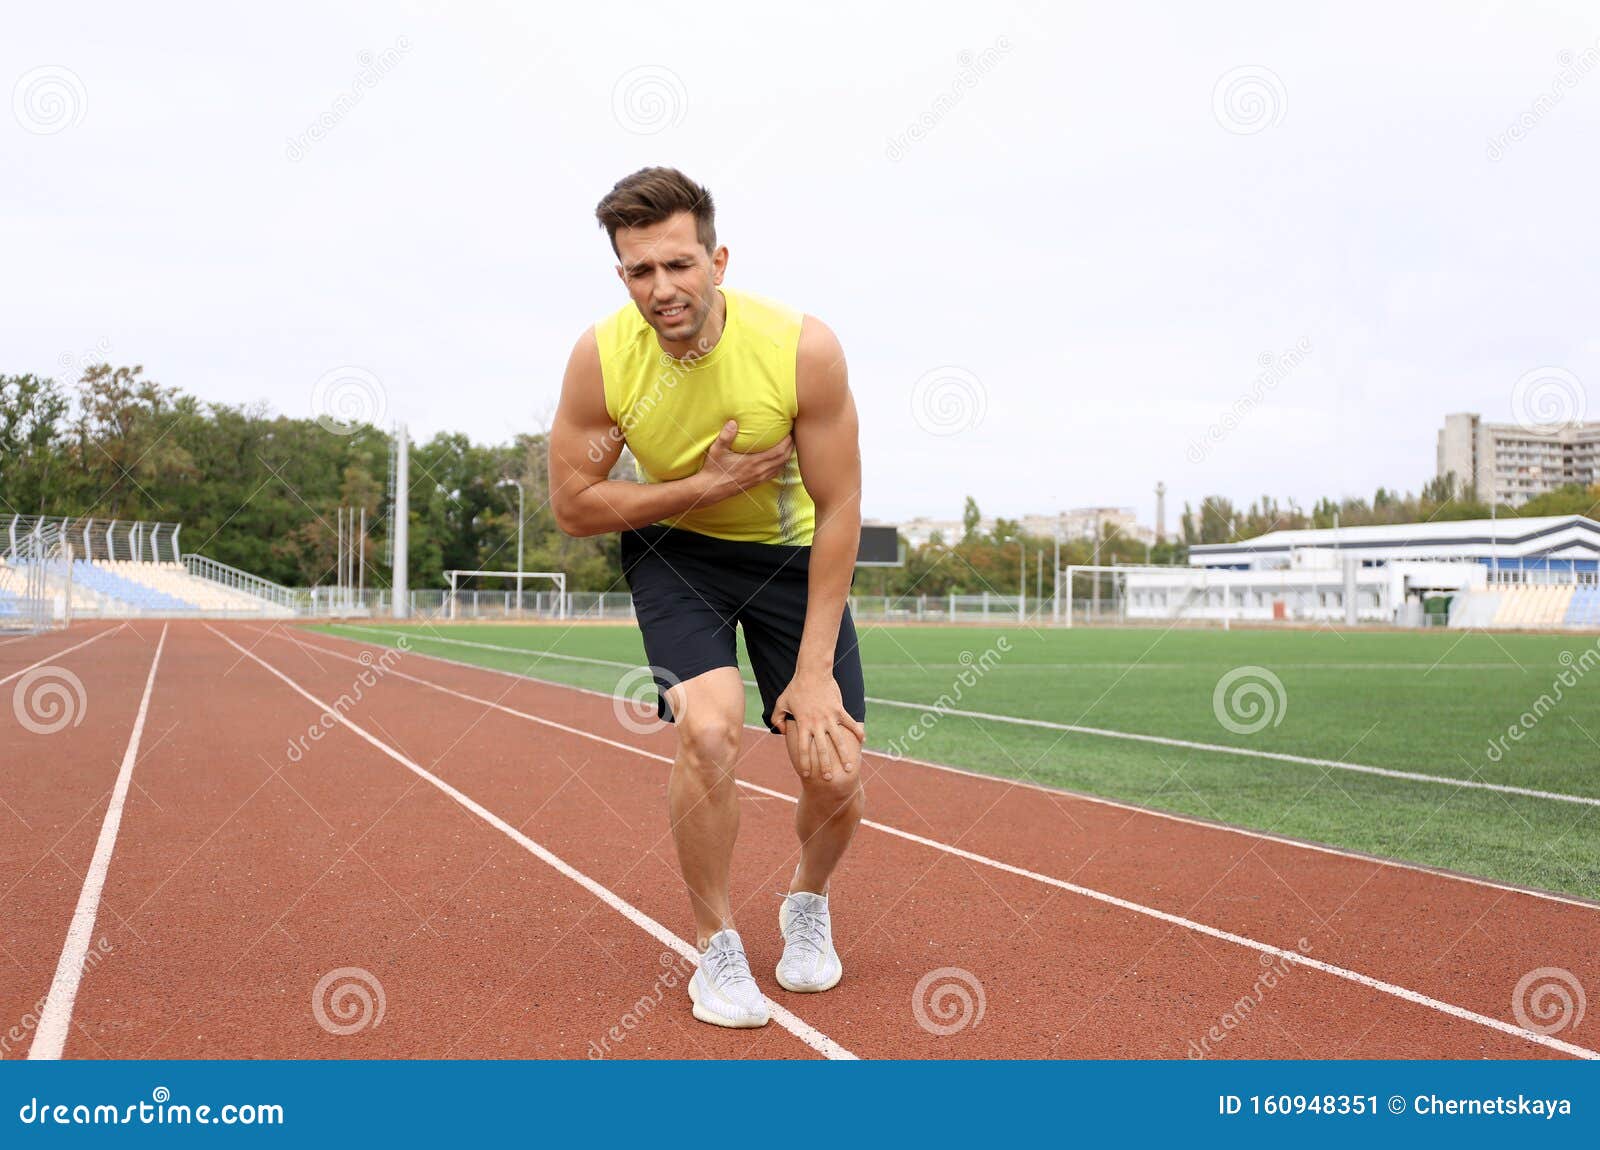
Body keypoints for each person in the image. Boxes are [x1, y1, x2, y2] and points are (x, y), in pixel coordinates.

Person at [548, 166, 867, 1029]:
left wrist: (812, 677)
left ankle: (805, 901)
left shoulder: (802, 348)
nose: (663, 288)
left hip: (787, 554)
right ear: (622, 275)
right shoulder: (603, 357)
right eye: (641, 271)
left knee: (832, 766)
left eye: (680, 265)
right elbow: (575, 506)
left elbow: (841, 507)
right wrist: (697, 487)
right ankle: (717, 947)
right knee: (710, 724)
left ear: (717, 260)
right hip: (675, 552)